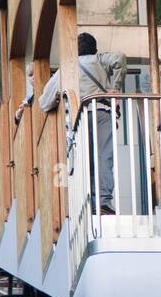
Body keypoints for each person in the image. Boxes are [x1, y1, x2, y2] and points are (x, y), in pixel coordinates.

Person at [38, 33, 127, 214]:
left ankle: (81, 202)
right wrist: (116, 88)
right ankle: (102, 202)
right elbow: (119, 58)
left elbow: (44, 103)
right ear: (94, 48)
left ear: (74, 50)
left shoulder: (66, 69)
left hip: (78, 120)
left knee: (79, 161)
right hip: (102, 113)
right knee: (103, 157)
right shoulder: (99, 60)